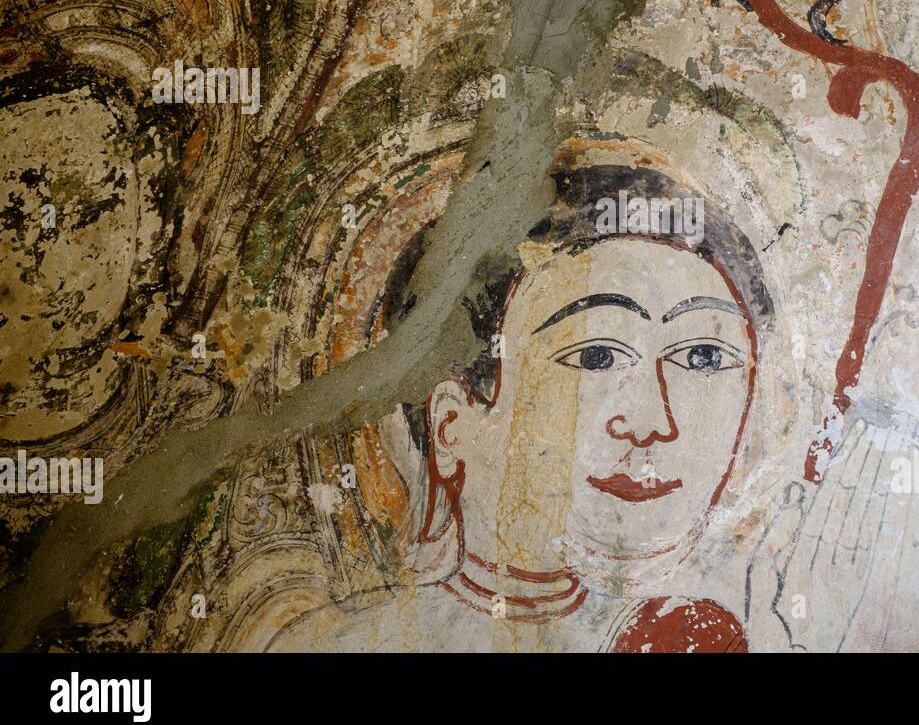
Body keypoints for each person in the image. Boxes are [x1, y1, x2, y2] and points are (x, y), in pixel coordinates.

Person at [269, 152, 773, 651]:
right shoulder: (334, 645)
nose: (654, 423)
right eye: (596, 356)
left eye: (704, 356)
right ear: (451, 425)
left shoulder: (685, 638)